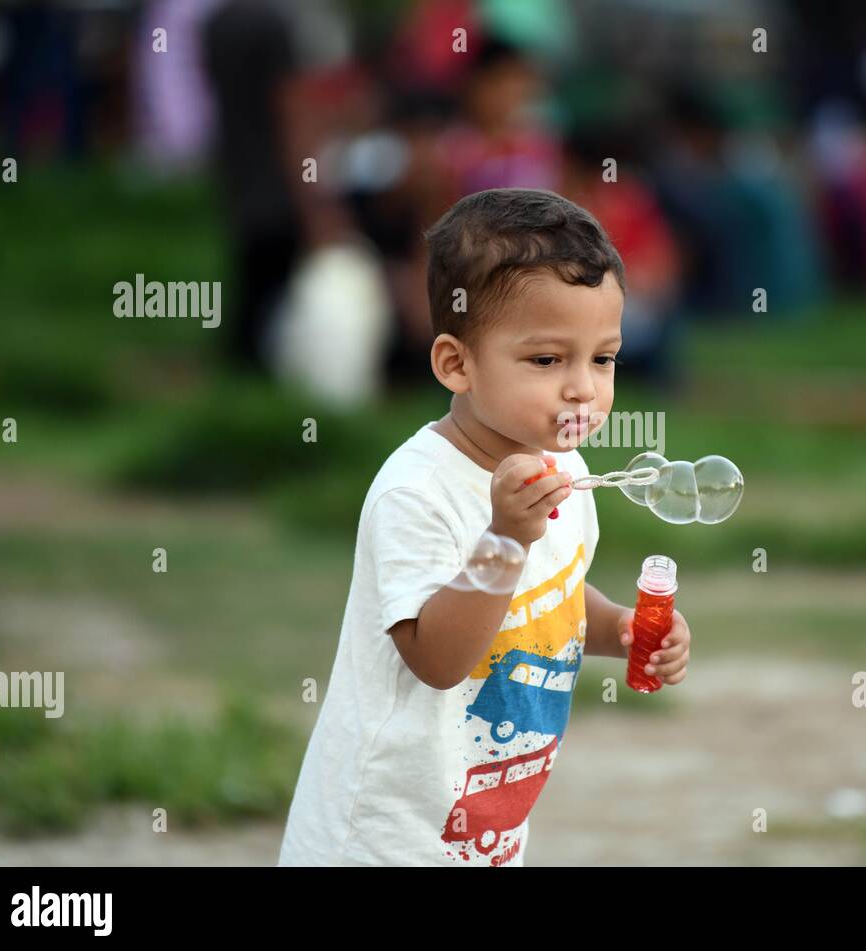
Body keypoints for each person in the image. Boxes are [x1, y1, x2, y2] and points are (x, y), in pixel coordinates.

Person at [277, 188, 693, 866]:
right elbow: (439, 660)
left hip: (479, 835)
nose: (583, 389)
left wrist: (619, 627)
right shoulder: (419, 492)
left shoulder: (562, 470)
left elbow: (548, 594)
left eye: (603, 358)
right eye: (546, 360)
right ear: (456, 363)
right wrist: (502, 537)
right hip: (383, 837)